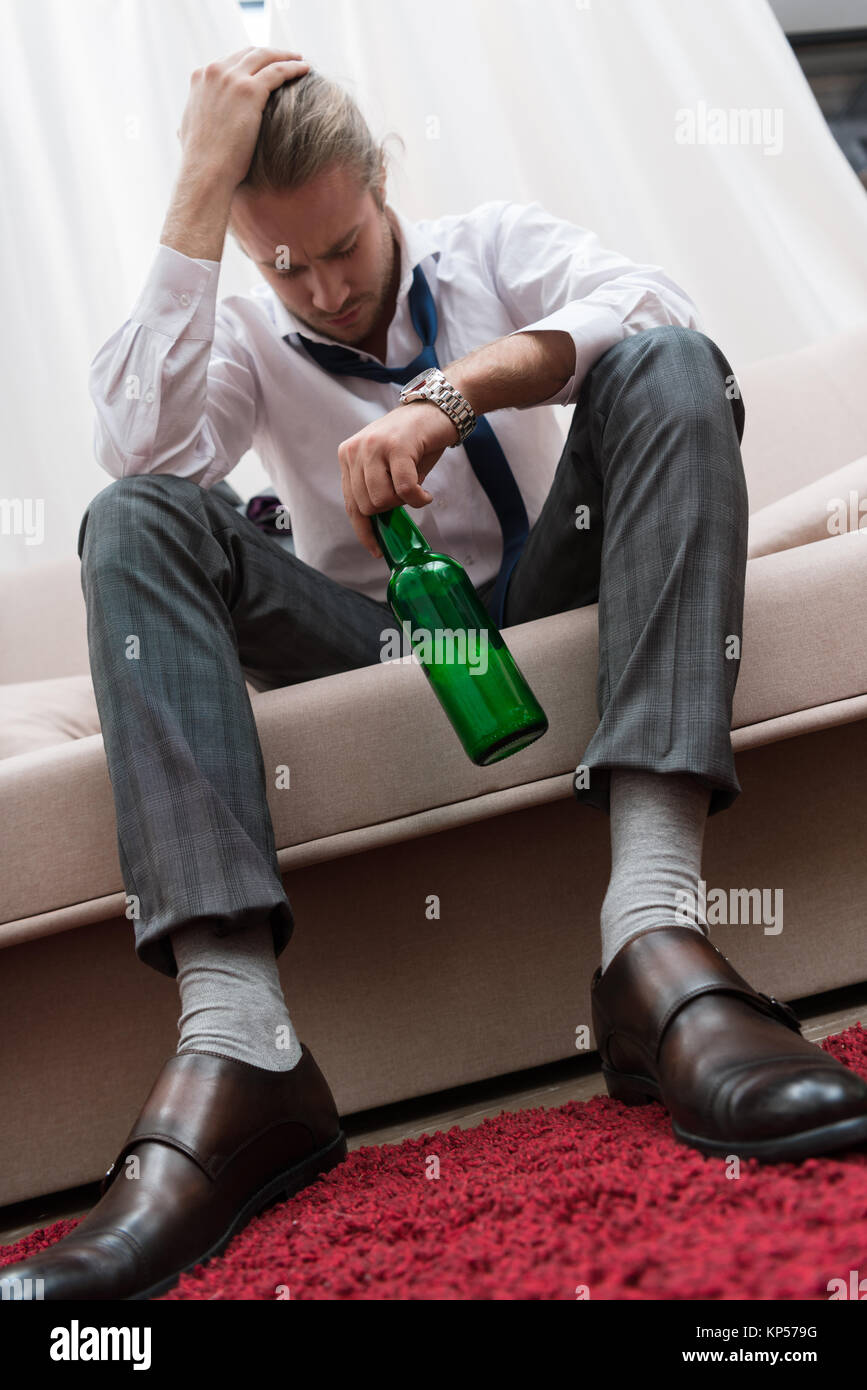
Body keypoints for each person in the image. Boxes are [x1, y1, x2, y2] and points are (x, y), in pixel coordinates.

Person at [4, 45, 866, 1303]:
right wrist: (195, 192)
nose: (322, 288)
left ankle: (655, 931)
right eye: (281, 261)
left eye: (340, 244)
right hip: (376, 641)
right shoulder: (246, 336)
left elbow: (660, 309)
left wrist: (448, 398)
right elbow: (140, 447)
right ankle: (241, 1046)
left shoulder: (490, 247)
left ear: (378, 180)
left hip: (542, 593)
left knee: (672, 367)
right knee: (134, 516)